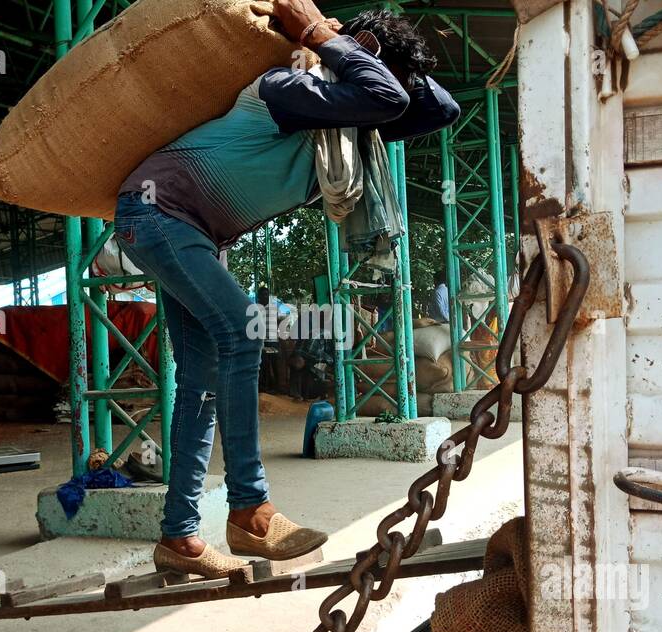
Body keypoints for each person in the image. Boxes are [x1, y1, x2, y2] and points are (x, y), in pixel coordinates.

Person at [113, 2, 460, 577]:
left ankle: (178, 538)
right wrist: (329, 36)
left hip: (195, 232)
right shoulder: (286, 89)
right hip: (158, 211)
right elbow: (390, 97)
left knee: (199, 381)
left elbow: (436, 107)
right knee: (242, 335)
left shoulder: (347, 121)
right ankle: (250, 509)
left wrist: (361, 46)